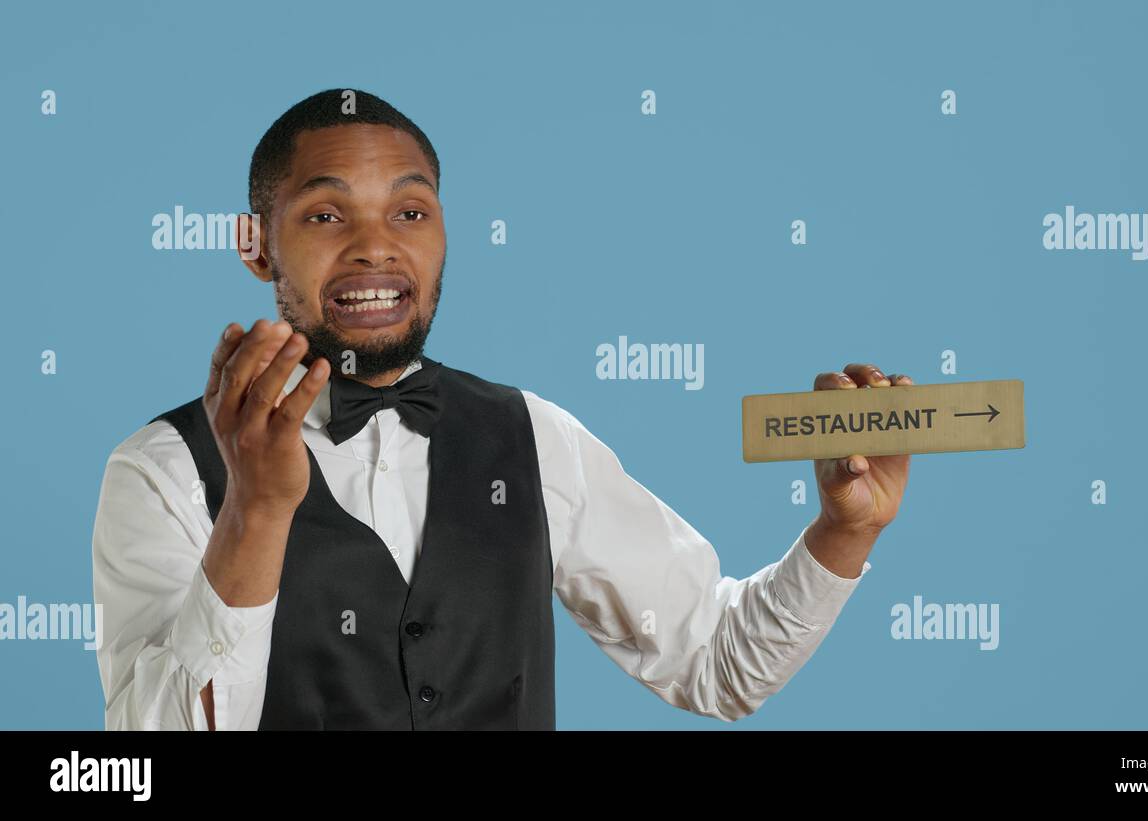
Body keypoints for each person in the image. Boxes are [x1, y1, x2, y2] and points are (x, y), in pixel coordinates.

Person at [91, 89, 914, 730]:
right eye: (326, 214)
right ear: (256, 244)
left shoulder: (534, 437)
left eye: (410, 212)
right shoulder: (161, 472)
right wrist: (256, 513)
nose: (376, 246)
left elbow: (716, 662)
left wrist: (843, 533)